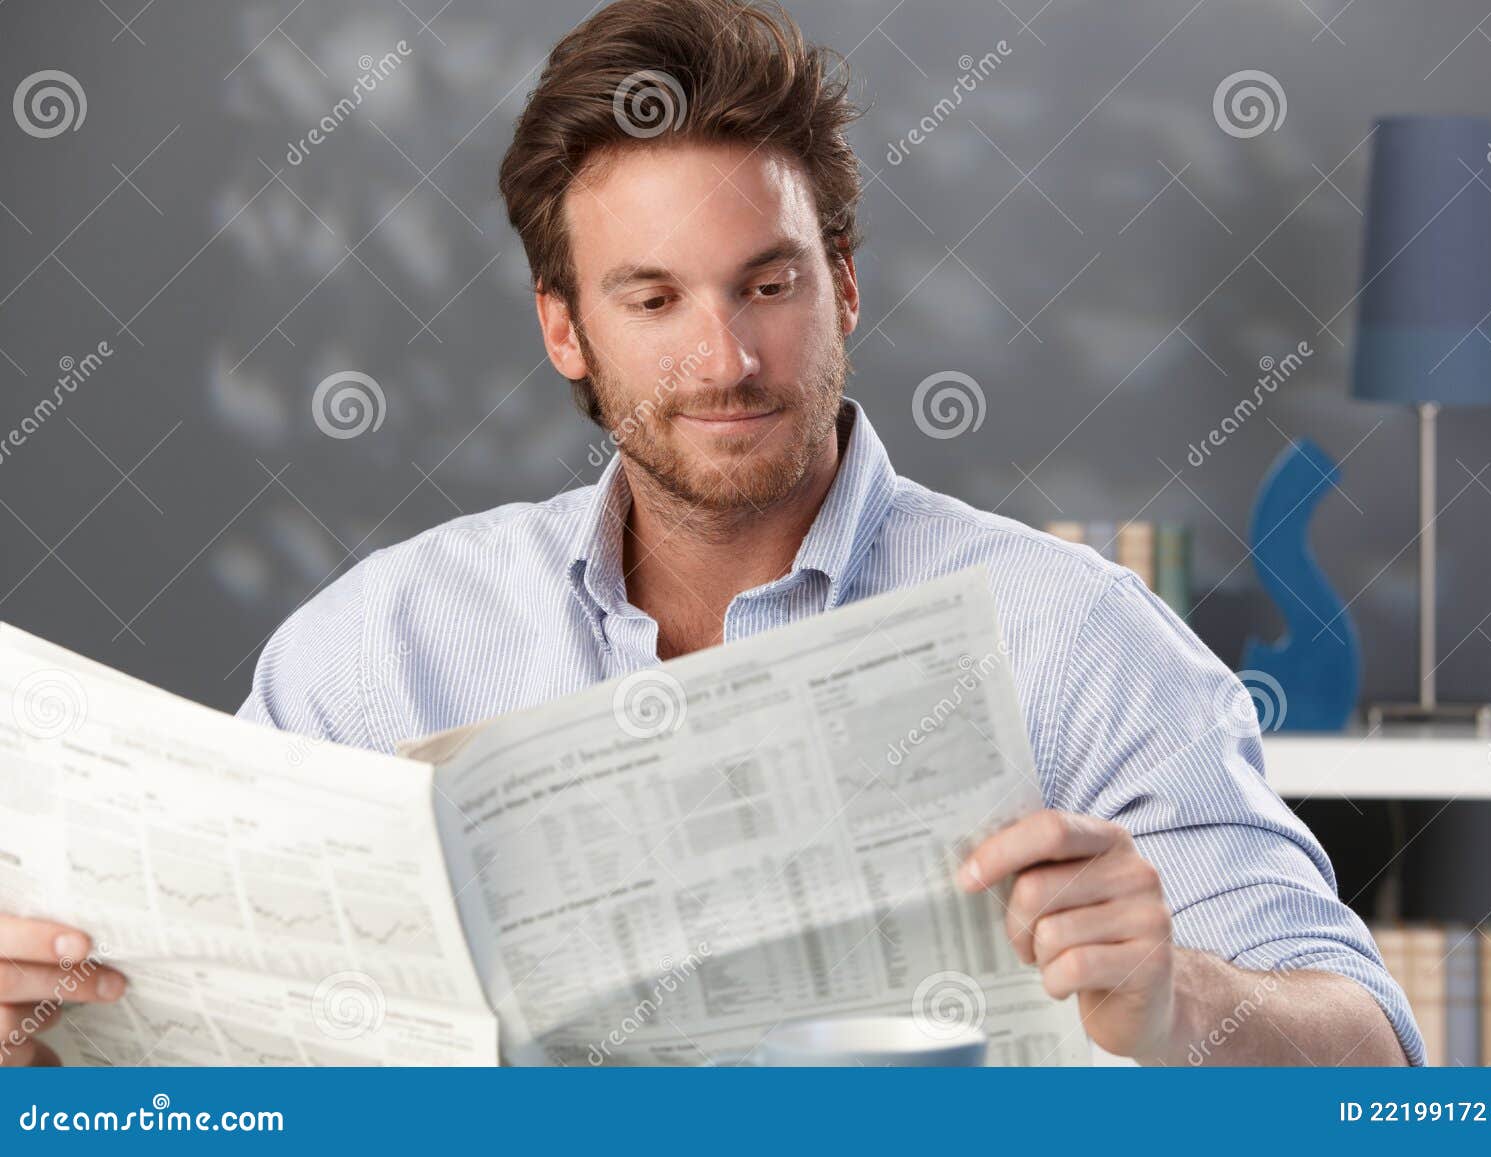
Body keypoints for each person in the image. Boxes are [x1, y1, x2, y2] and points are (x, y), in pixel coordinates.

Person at [1, 0, 1419, 1067]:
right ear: (566, 328)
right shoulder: (380, 644)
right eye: (653, 298)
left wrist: (1183, 998)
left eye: (768, 283)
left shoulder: (1075, 636)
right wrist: (31, 1018)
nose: (728, 358)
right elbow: (180, 1014)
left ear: (844, 286)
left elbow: (1376, 1055)